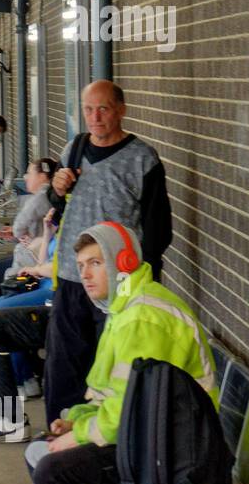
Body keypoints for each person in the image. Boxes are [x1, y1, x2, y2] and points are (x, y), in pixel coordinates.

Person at [15, 222, 215, 484]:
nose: (85, 275)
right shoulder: (125, 307)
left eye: (95, 264)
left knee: (53, 470)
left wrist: (78, 435)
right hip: (157, 444)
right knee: (42, 451)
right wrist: (74, 420)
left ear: (122, 264)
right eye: (81, 265)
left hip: (180, 461)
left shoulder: (143, 318)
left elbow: (128, 413)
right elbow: (114, 399)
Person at [43, 81, 172, 421]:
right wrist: (56, 189)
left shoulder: (143, 159)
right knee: (64, 366)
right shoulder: (73, 149)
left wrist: (138, 283)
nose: (95, 117)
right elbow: (56, 206)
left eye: (103, 109)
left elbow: (159, 232)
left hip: (119, 287)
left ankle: (107, 445)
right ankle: (61, 435)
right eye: (88, 109)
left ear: (121, 110)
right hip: (73, 277)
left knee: (114, 369)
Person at [0, 156, 58, 339]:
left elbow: (20, 226)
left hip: (32, 260)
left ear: (43, 175)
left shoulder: (42, 196)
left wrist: (16, 232)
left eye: (30, 172)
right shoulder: (50, 196)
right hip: (35, 255)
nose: (25, 177)